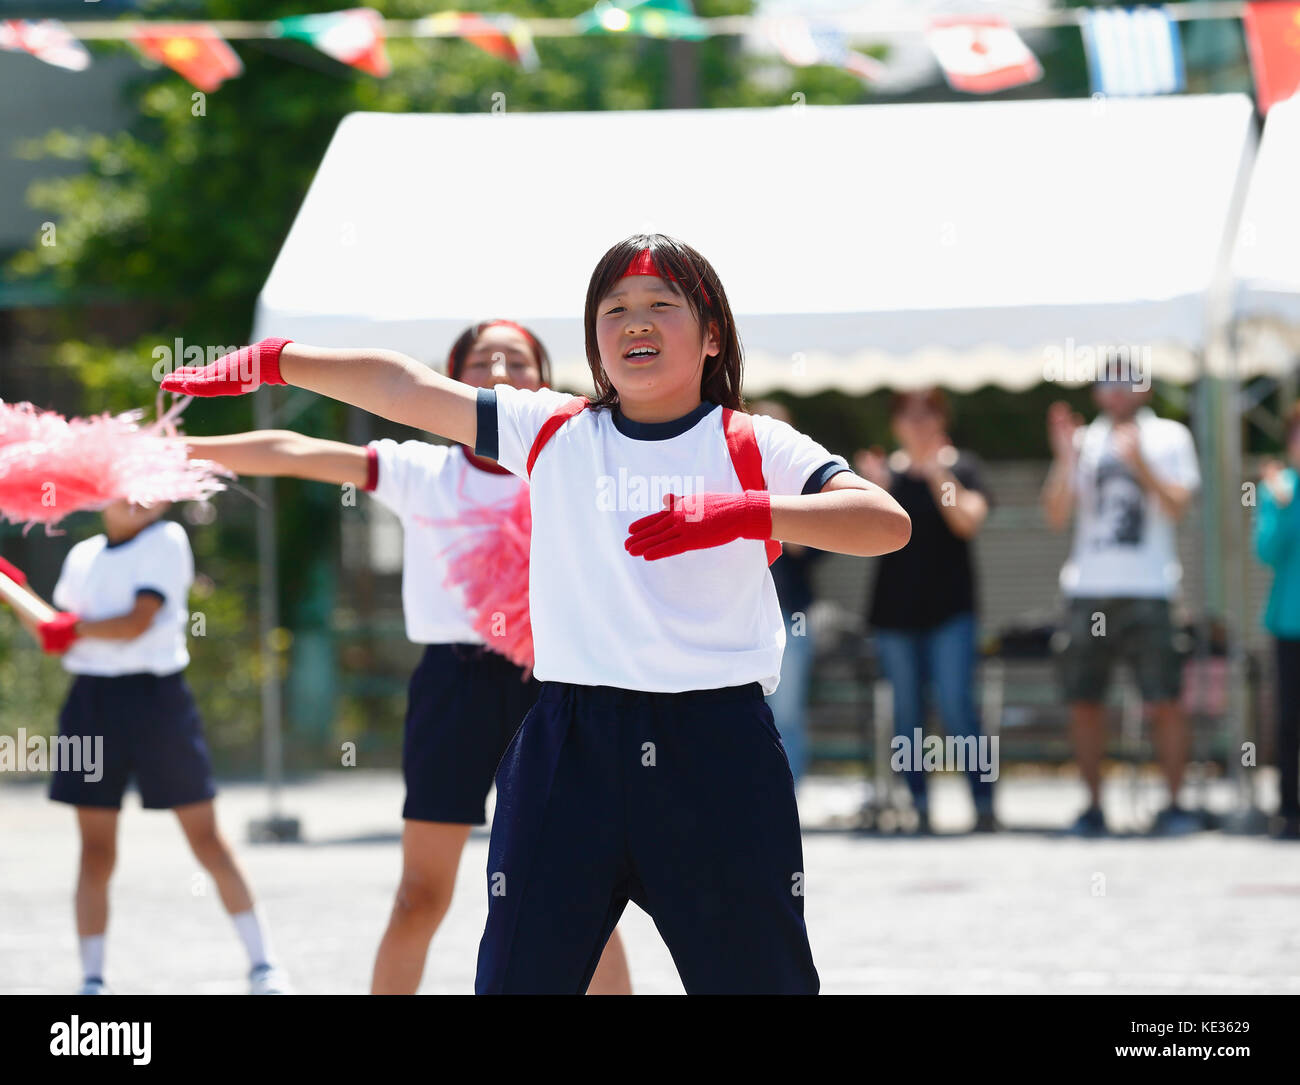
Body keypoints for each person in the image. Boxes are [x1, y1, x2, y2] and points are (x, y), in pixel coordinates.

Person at [163, 232, 911, 995]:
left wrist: (742, 513)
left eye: (662, 305)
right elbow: (403, 387)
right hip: (569, 747)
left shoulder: (751, 442)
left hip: (716, 753)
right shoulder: (554, 429)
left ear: (712, 333)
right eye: (614, 309)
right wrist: (279, 358)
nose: (635, 322)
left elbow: (885, 521)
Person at [184, 320, 632, 994]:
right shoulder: (423, 469)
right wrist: (182, 450)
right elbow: (297, 449)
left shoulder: (575, 461)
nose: (502, 373)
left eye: (519, 361)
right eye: (483, 361)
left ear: (546, 380)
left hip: (555, 688)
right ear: (452, 380)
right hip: (454, 688)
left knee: (582, 892)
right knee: (420, 894)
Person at [10, 500, 290, 995]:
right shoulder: (82, 555)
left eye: (151, 489)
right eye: (126, 486)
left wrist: (67, 629)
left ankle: (264, 966)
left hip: (157, 699)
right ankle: (93, 979)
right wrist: (16, 589)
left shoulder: (166, 540)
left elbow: (133, 623)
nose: (139, 498)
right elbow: (54, 637)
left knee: (207, 840)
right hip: (90, 704)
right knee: (95, 851)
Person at [1041, 371, 1201, 836]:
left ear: (1146, 388)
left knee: (1166, 699)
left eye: (1127, 381)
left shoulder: (1170, 435)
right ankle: (1093, 806)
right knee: (1083, 701)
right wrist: (1064, 458)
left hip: (1152, 588)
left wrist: (1142, 464)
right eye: (1107, 382)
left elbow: (1178, 507)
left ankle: (1174, 805)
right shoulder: (1085, 440)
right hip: (1087, 588)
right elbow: (1054, 516)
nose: (1117, 391)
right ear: (1095, 391)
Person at [856, 388, 997, 834]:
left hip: (950, 613)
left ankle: (984, 803)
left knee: (958, 709)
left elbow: (966, 522)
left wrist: (938, 475)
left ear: (941, 420)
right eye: (908, 416)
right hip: (896, 614)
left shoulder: (962, 467)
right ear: (895, 424)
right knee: (907, 714)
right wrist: (872, 490)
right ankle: (918, 806)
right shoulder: (886, 475)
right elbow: (864, 539)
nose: (917, 424)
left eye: (926, 415)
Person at [751, 399, 824, 786]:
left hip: (790, 613)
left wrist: (776, 503)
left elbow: (806, 550)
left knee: (788, 711)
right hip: (742, 617)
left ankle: (788, 792)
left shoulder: (802, 490)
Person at [1256, 401, 1300, 841]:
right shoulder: (1278, 489)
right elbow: (1266, 552)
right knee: (1289, 720)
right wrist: (1285, 507)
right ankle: (1289, 806)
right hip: (1290, 622)